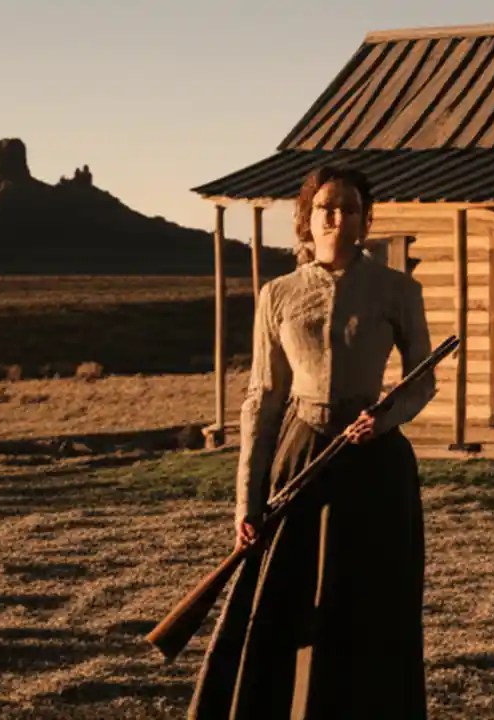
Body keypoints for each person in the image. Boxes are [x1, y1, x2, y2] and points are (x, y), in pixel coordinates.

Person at [186, 165, 436, 719]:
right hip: (301, 455)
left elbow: (423, 380)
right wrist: (246, 501)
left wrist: (387, 419)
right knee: (290, 598)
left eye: (350, 207)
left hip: (376, 463)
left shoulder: (398, 290)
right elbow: (262, 399)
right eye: (327, 207)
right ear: (306, 218)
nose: (338, 217)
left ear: (365, 219)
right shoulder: (278, 295)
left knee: (370, 601)